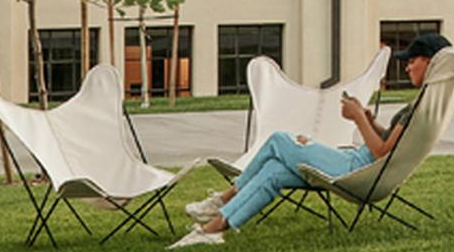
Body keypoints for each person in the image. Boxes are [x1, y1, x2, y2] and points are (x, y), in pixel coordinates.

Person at [171, 59, 408, 242]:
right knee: (274, 170)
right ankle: (213, 230)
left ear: (427, 62)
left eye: (412, 61)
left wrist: (357, 118)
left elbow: (381, 153)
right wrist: (370, 119)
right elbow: (387, 142)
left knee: (278, 140)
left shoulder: (415, 112)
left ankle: (224, 198)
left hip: (357, 168)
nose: (407, 67)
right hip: (355, 159)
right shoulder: (420, 109)